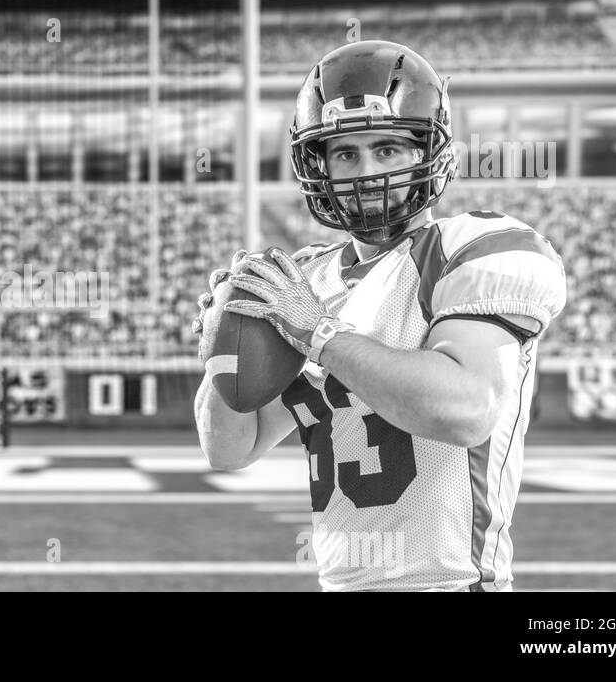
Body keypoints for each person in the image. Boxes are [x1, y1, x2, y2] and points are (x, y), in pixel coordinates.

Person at [192, 41, 567, 592]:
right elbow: (229, 447)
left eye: (387, 149)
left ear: (428, 154)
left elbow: (464, 412)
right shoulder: (306, 281)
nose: (366, 172)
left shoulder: (475, 247)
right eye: (346, 154)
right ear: (317, 166)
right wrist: (222, 345)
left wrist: (317, 334)